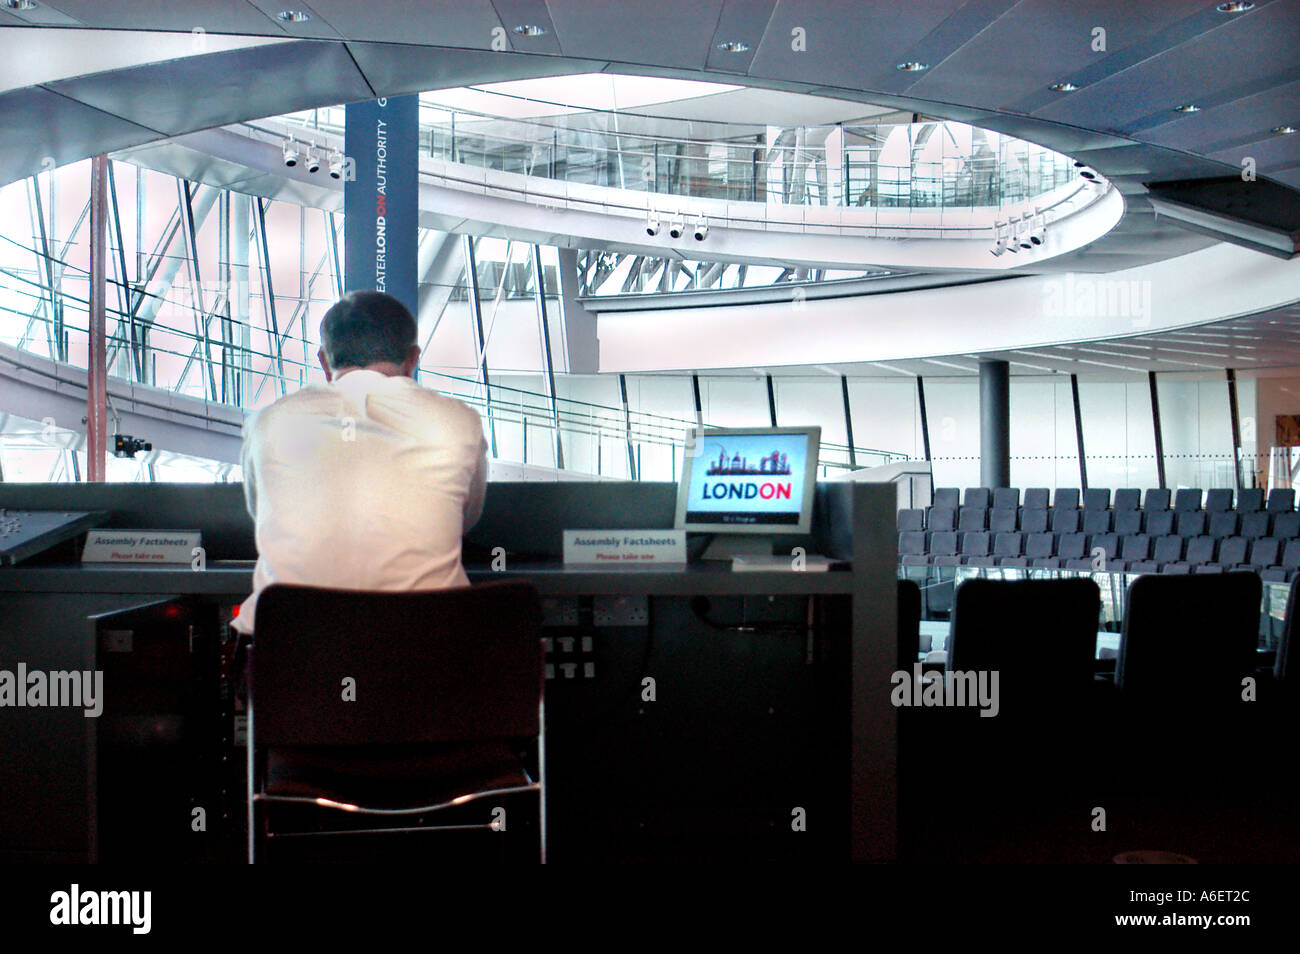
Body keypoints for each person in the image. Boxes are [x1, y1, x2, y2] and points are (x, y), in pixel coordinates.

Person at [231, 290, 488, 635]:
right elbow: (464, 518)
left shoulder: (269, 423)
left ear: (324, 361)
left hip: (294, 668)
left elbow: (259, 509)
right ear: (413, 359)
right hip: (430, 663)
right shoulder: (458, 422)